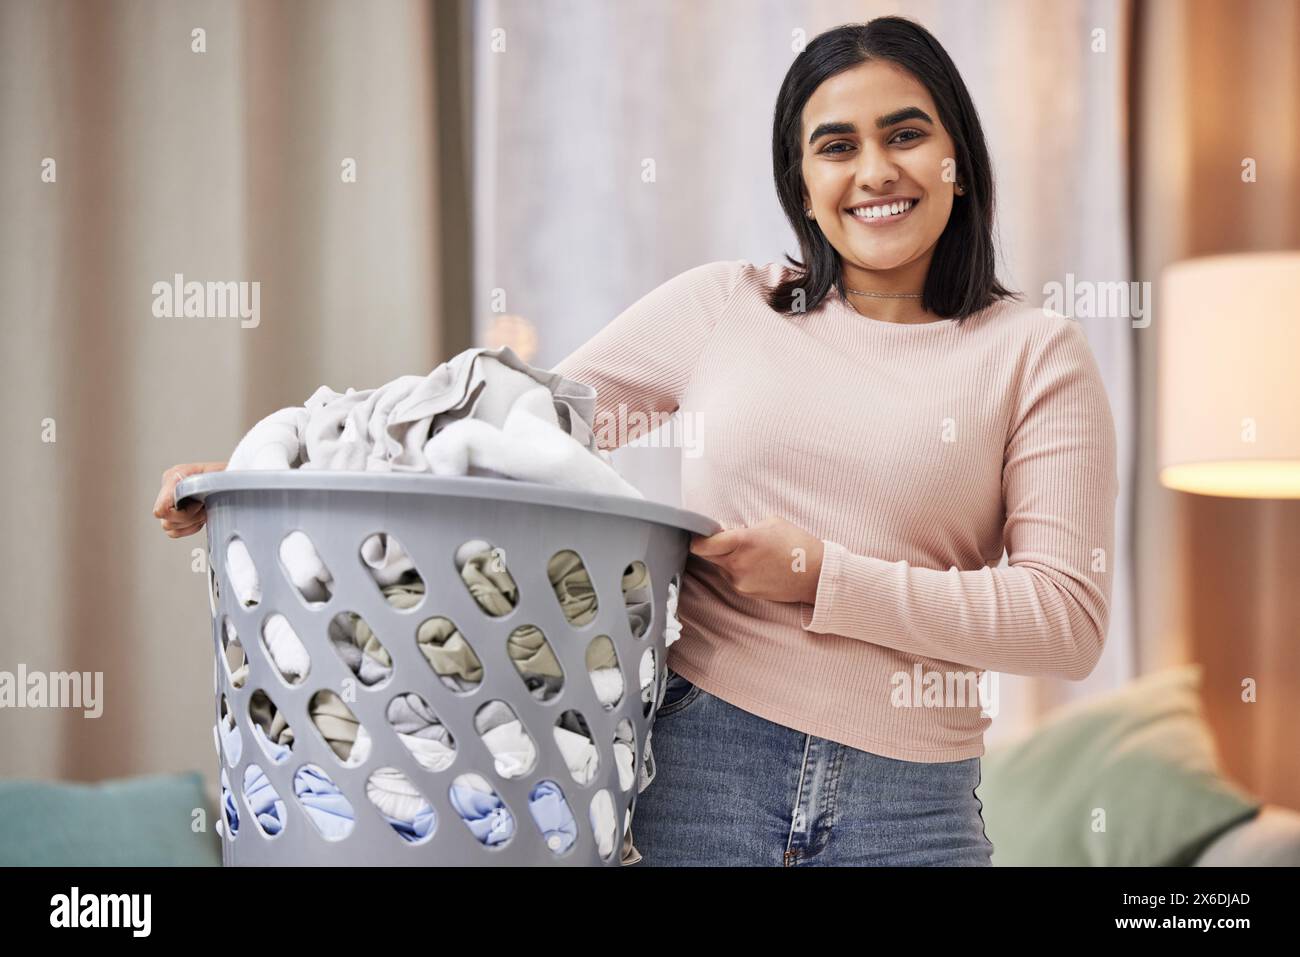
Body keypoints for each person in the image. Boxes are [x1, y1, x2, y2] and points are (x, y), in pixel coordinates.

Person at [155, 16, 1119, 867]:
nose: (874, 170)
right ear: (802, 181)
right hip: (699, 767)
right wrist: (269, 467)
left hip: (914, 805)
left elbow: (1065, 619)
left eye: (906, 134)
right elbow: (499, 422)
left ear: (959, 155)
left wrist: (826, 575)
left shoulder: (1036, 355)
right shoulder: (725, 308)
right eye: (836, 146)